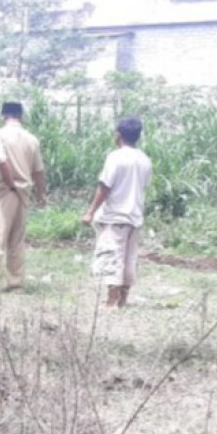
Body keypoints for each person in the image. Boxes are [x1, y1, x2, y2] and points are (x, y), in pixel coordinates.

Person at [82, 116, 153, 309]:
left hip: (115, 215)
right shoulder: (144, 159)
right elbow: (143, 186)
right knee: (130, 259)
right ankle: (123, 299)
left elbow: (105, 186)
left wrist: (90, 212)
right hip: (135, 216)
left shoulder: (116, 157)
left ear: (118, 135)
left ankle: (111, 301)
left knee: (112, 256)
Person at [0, 101, 46, 293]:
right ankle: (15, 283)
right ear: (21, 116)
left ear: (3, 115)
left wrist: (11, 184)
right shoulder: (32, 139)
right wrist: (41, 195)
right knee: (17, 240)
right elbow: (39, 171)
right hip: (25, 191)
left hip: (6, 191)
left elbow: (1, 161)